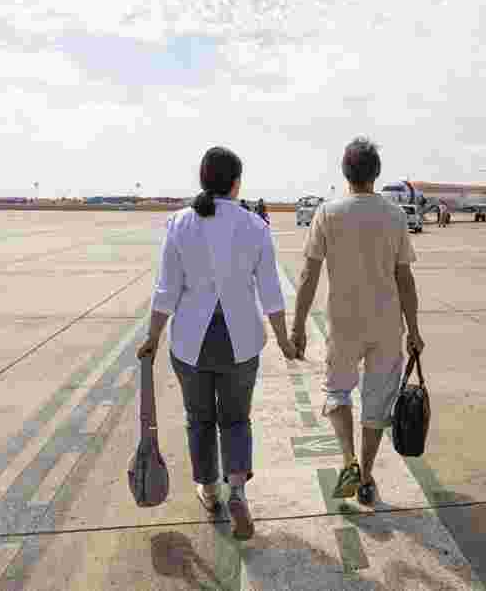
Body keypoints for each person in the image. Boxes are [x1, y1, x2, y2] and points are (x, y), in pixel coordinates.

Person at [137, 146, 297, 540]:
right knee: (236, 419)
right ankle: (237, 489)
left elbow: (166, 290)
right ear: (236, 183)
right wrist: (284, 340)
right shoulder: (255, 226)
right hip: (240, 341)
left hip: (191, 342)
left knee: (200, 419)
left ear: (203, 179)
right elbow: (271, 293)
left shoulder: (180, 224)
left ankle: (209, 491)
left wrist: (153, 337)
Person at [291, 137, 424, 506]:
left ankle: (347, 459)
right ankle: (365, 476)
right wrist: (414, 330)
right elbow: (405, 279)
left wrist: (298, 325)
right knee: (377, 403)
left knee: (337, 392)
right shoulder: (395, 216)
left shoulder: (327, 213)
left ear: (344, 172)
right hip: (386, 324)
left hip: (343, 323)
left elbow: (309, 274)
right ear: (376, 173)